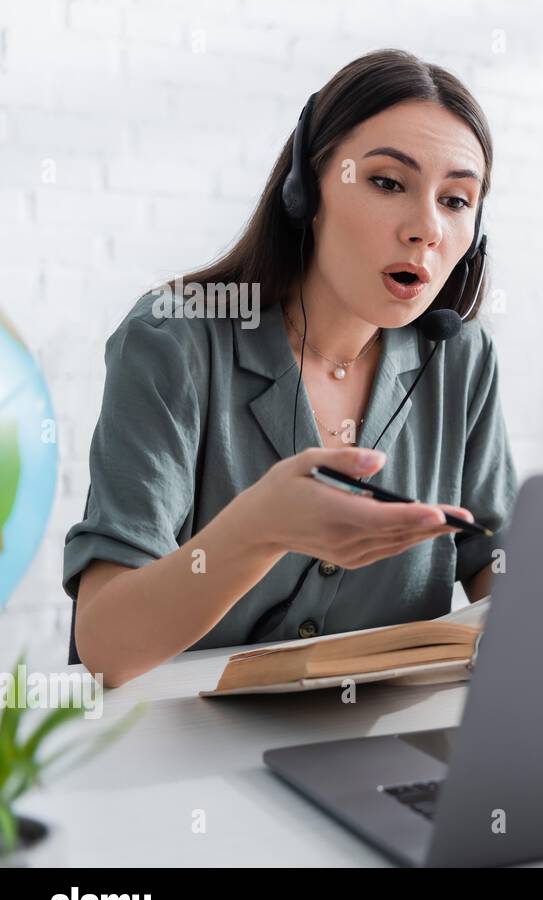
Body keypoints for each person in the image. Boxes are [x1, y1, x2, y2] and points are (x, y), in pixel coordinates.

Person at [63, 50, 517, 687]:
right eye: (388, 183)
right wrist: (259, 530)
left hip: (374, 751)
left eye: (457, 200)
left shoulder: (461, 360)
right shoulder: (174, 342)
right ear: (307, 188)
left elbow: (495, 557)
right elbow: (106, 642)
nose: (426, 228)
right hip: (172, 759)